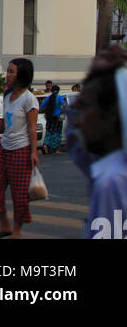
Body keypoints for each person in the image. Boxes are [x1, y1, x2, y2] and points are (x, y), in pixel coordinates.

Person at [65, 45, 127, 239]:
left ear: (112, 114)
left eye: (85, 107)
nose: (77, 120)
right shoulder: (114, 167)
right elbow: (77, 146)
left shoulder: (111, 182)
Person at [0, 58, 39, 240]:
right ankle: (5, 225)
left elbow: (32, 127)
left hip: (21, 150)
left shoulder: (29, 99)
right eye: (7, 71)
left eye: (11, 71)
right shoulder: (7, 97)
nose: (6, 75)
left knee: (19, 195)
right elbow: (4, 126)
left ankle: (17, 230)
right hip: (4, 150)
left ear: (21, 76)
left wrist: (33, 152)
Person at [41, 84, 67, 154]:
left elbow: (41, 106)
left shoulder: (48, 98)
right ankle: (55, 149)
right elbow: (64, 105)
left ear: (51, 91)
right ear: (58, 91)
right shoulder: (59, 97)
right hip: (58, 118)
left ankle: (46, 145)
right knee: (57, 133)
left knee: (49, 132)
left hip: (49, 118)